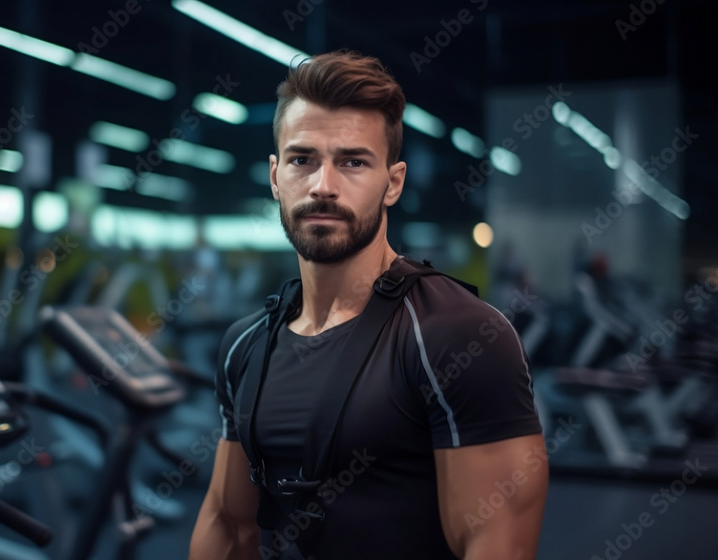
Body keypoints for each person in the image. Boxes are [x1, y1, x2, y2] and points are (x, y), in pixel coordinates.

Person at [189, 51, 547, 560]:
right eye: (301, 159)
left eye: (353, 161)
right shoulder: (245, 345)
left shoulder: (456, 335)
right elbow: (228, 524)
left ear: (393, 182)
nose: (323, 186)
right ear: (275, 176)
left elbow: (495, 545)